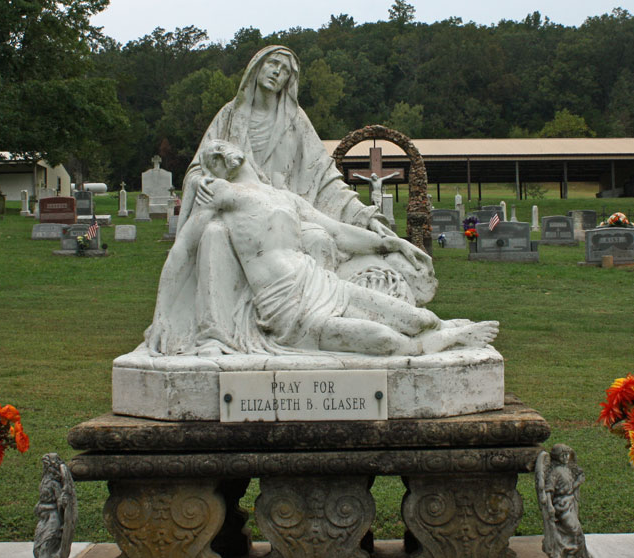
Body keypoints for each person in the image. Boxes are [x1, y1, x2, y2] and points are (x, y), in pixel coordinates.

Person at [146, 141, 497, 356]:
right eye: (214, 157)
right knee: (383, 340)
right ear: (212, 171)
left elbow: (337, 232)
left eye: (222, 147)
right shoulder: (220, 195)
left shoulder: (284, 197)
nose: (223, 154)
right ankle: (432, 346)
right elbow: (182, 253)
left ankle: (444, 331)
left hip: (320, 284)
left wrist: (391, 241)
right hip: (286, 308)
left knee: (418, 317)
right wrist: (162, 314)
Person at [178, 45, 436, 307]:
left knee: (319, 238)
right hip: (239, 212)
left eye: (285, 71)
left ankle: (317, 310)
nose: (277, 72)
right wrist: (201, 181)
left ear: (289, 81)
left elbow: (324, 177)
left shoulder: (295, 120)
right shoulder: (230, 116)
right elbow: (199, 166)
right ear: (256, 68)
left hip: (286, 211)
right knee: (214, 233)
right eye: (272, 64)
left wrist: (363, 216)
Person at [536, 445, 605, 558]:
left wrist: (578, 482)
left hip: (570, 503)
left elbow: (574, 482)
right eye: (563, 455)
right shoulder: (554, 472)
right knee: (576, 533)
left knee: (575, 539)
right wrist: (550, 507)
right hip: (562, 506)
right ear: (556, 456)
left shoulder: (567, 469)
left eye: (567, 455)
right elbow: (548, 491)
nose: (566, 458)